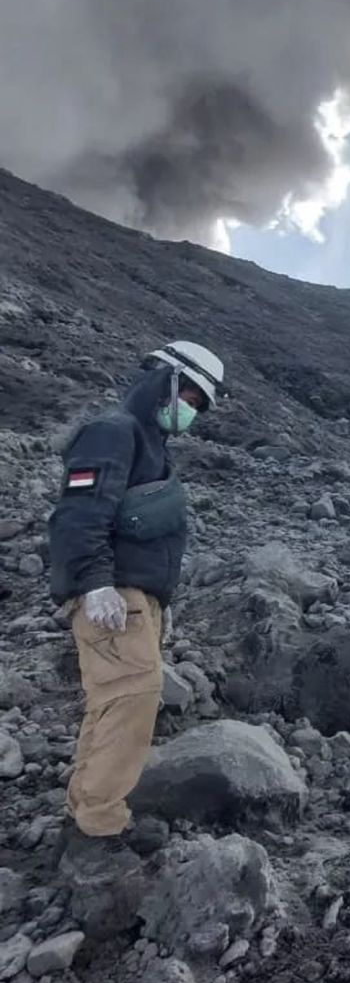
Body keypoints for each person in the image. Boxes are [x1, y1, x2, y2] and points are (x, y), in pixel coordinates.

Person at [48, 341, 224, 858]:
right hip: (111, 596)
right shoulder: (114, 431)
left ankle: (84, 809)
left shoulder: (149, 444)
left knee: (113, 704)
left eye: (199, 402)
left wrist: (155, 604)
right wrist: (94, 582)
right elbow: (80, 512)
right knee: (133, 698)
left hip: (131, 598)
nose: (189, 407)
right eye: (187, 393)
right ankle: (98, 832)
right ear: (163, 379)